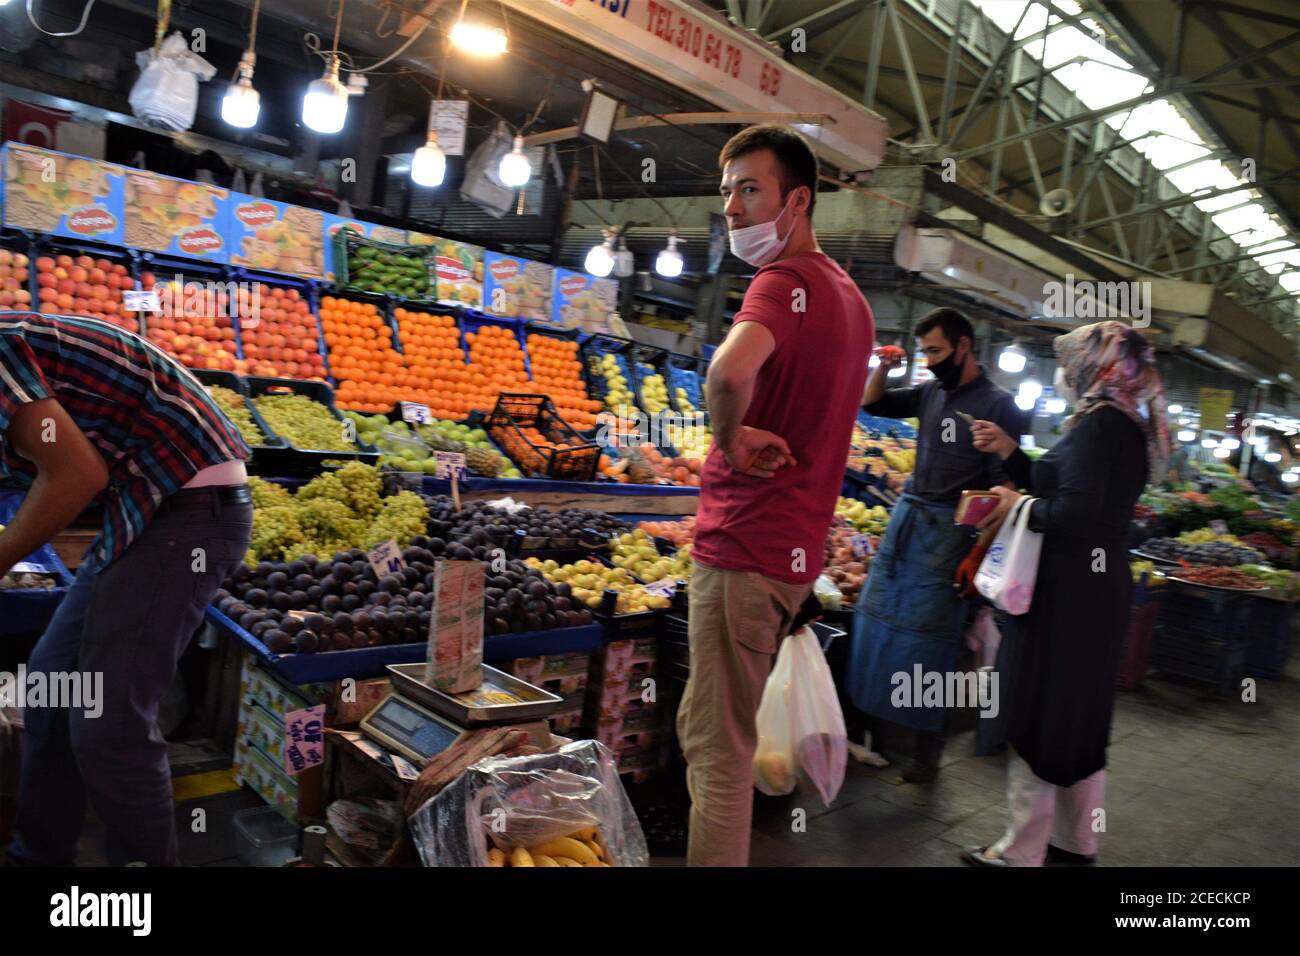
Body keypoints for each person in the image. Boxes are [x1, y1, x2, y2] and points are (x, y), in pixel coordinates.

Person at [678, 124, 875, 867]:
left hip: (744, 548)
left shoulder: (783, 283)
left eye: (750, 188)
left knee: (721, 760)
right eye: (727, 190)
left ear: (799, 199)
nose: (731, 206)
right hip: (790, 553)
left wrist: (729, 439)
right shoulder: (848, 297)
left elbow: (728, 375)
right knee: (715, 733)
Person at [1, 312, 253, 867]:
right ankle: (36, 857)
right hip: (141, 512)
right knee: (50, 690)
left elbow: (75, 474)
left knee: (108, 724)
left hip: (187, 508)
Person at [962, 320, 1169, 867]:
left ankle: (1020, 853)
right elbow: (1069, 491)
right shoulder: (1124, 423)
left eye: (1071, 358)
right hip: (1095, 592)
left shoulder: (1101, 428)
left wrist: (1013, 507)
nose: (1062, 371)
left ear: (1094, 366)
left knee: (1041, 711)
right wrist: (1011, 451)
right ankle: (1075, 842)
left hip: (1068, 595)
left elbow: (1073, 515)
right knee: (1078, 715)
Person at [846, 309, 1024, 783]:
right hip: (909, 518)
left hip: (951, 531)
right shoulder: (931, 390)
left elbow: (1004, 491)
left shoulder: (998, 404)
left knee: (930, 641)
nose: (928, 360)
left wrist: (977, 551)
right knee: (874, 620)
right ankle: (873, 735)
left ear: (964, 346)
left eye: (936, 351)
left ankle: (927, 752)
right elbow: (873, 404)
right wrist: (882, 365)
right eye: (924, 351)